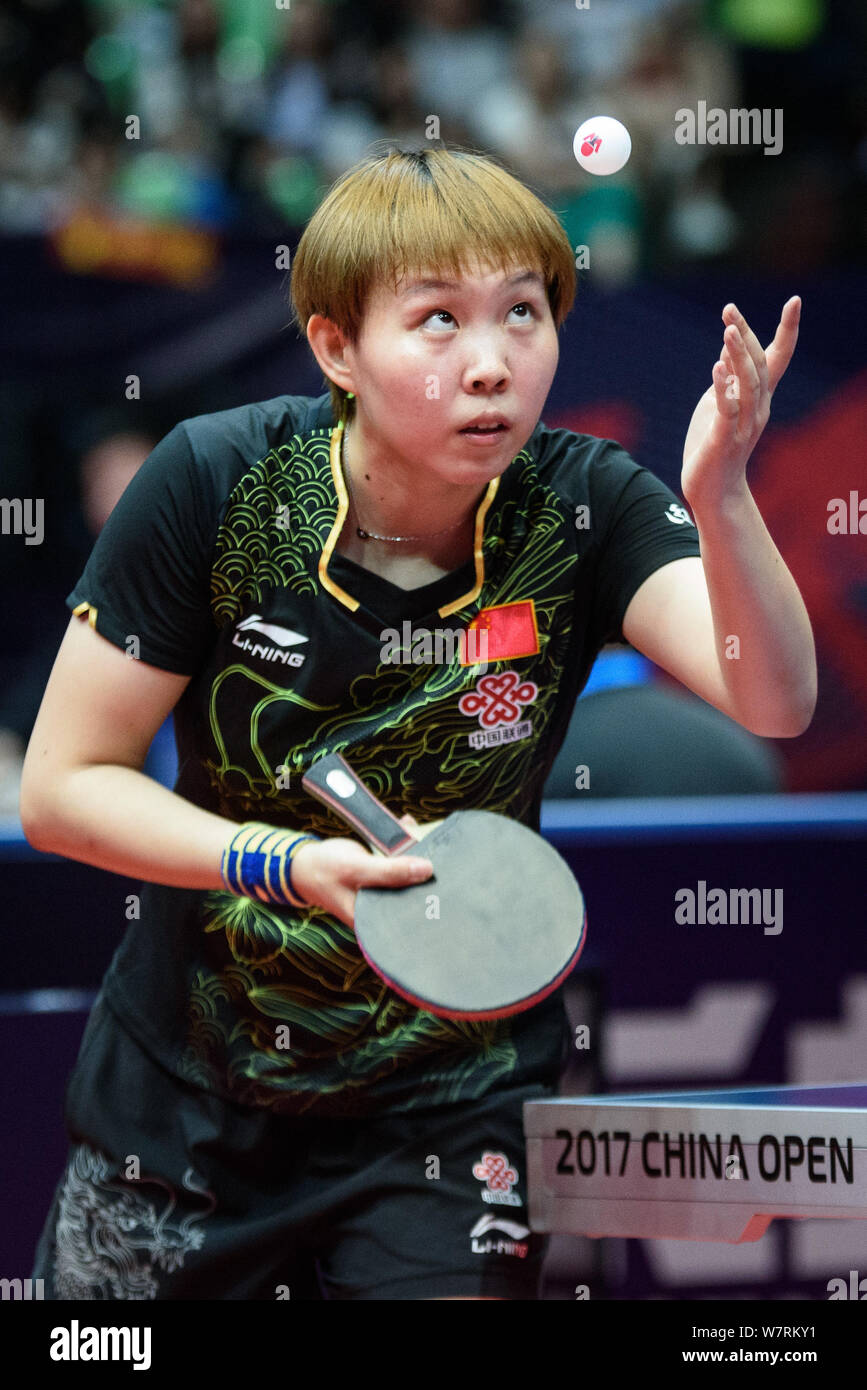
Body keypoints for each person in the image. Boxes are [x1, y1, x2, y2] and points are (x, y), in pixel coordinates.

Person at [20, 144, 815, 1301]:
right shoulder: (216, 485)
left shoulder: (584, 508)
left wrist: (723, 496)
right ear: (336, 345)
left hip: (453, 1111)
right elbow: (62, 787)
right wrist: (283, 864)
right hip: (188, 1113)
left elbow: (773, 696)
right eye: (438, 321)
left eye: (524, 313)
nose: (492, 363)